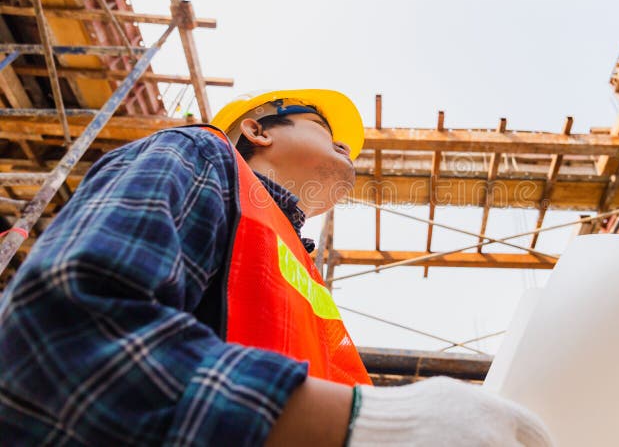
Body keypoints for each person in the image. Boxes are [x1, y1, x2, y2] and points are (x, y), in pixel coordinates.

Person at [0, 89, 553, 446]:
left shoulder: (299, 266)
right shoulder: (199, 156)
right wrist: (387, 424)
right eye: (320, 125)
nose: (344, 144)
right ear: (260, 131)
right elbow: (63, 339)